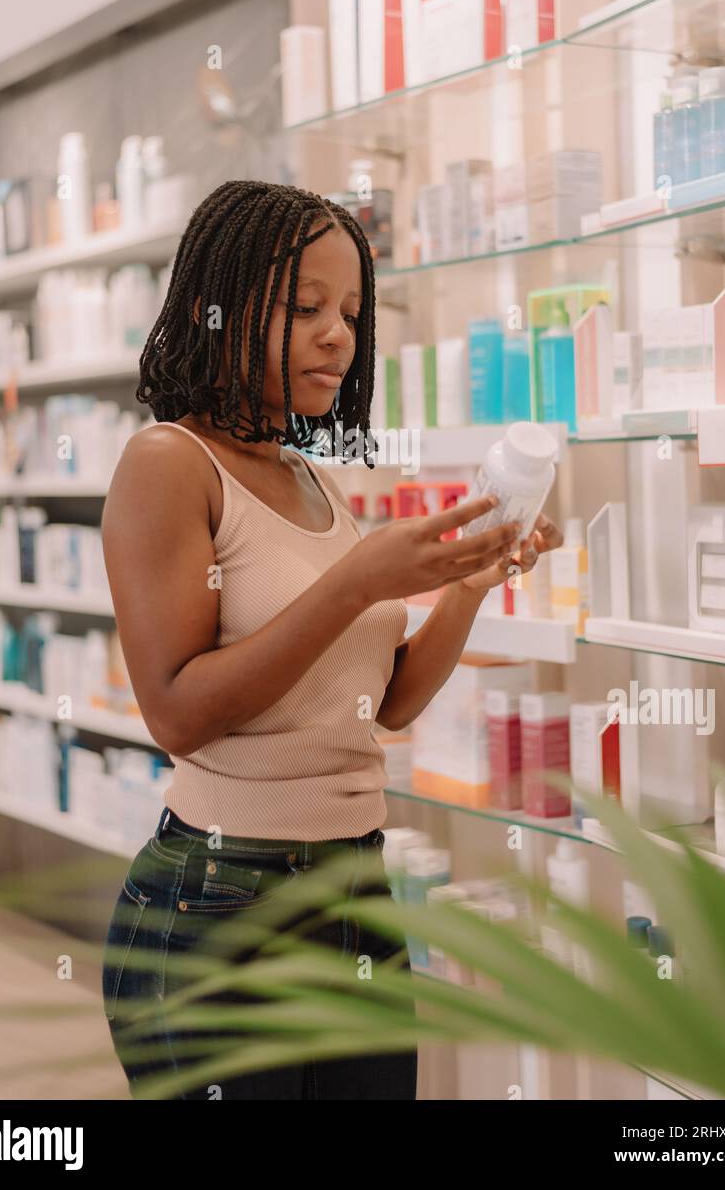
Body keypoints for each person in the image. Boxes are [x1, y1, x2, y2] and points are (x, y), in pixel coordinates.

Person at [100, 179, 563, 1099]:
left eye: (350, 312)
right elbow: (177, 713)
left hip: (355, 888)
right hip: (222, 900)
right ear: (213, 308)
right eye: (304, 307)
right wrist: (358, 580)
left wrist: (463, 590)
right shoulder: (168, 464)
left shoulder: (313, 481)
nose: (337, 335)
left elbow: (381, 706)